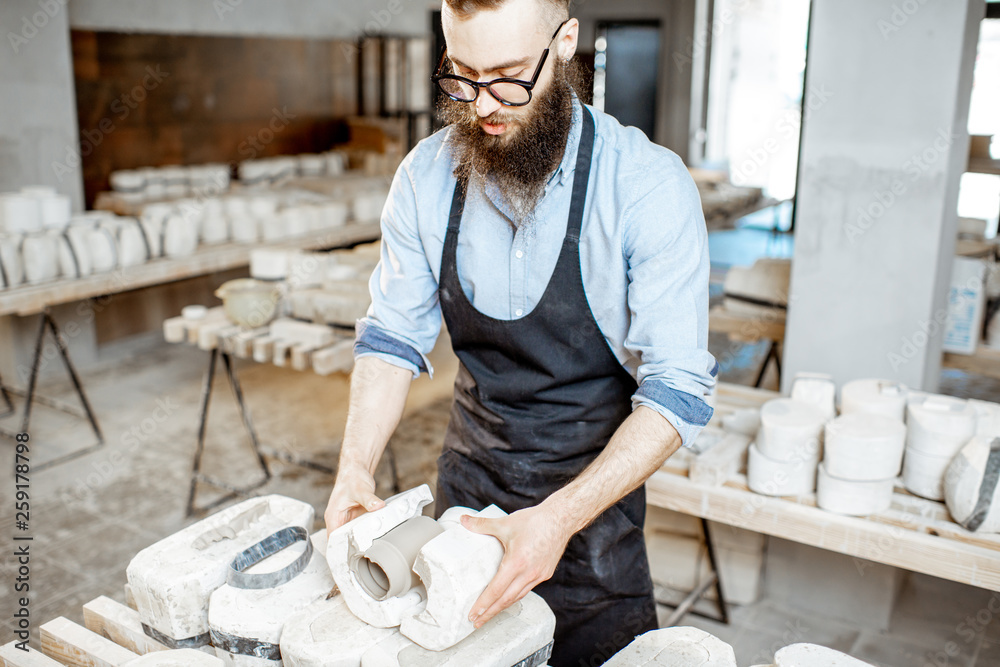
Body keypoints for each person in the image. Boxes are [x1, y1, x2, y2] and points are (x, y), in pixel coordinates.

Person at [324, 0, 717, 663]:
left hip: (591, 519)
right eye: (462, 75)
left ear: (565, 43)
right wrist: (353, 469)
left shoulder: (645, 187)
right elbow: (393, 337)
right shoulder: (425, 178)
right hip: (466, 499)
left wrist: (557, 519)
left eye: (507, 76)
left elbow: (679, 392)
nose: (483, 105)